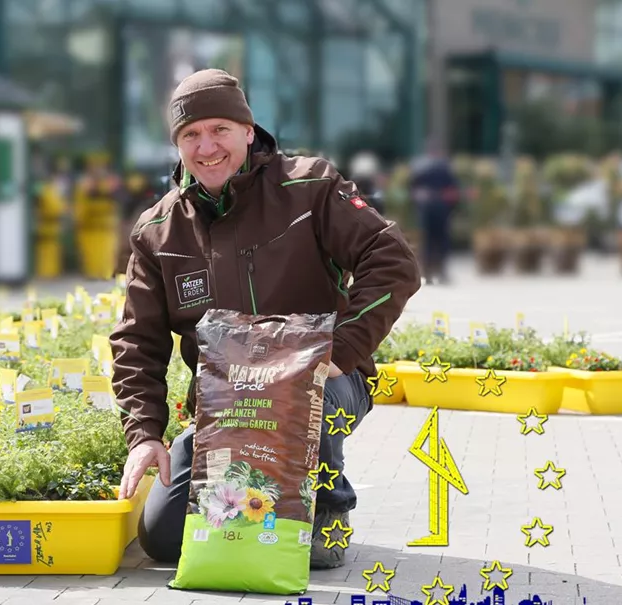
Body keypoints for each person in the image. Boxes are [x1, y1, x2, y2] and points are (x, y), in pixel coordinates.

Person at [109, 69, 421, 570]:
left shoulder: (311, 187)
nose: (206, 146)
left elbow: (393, 262)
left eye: (220, 130)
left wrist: (338, 353)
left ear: (248, 131)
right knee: (165, 538)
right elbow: (137, 340)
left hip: (325, 383)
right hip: (226, 409)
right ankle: (261, 505)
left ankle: (328, 511)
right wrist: (145, 433)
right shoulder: (158, 231)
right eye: (191, 135)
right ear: (178, 145)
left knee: (311, 534)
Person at [409, 139, 460, 285]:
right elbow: (453, 190)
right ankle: (438, 272)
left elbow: (413, 189)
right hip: (440, 208)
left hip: (430, 208)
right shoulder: (444, 167)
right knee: (440, 239)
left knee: (430, 240)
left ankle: (430, 273)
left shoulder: (421, 167)